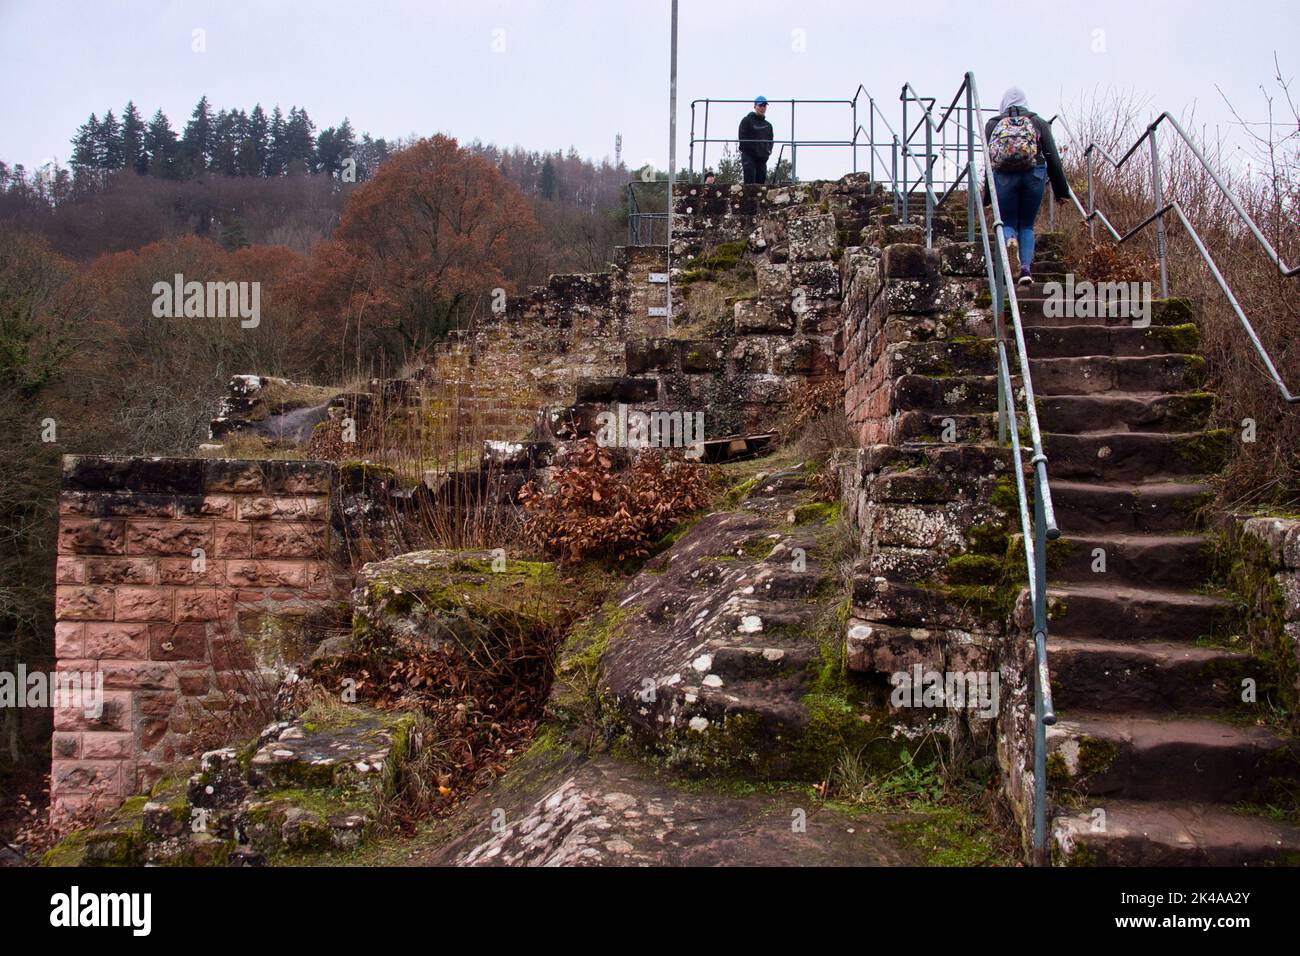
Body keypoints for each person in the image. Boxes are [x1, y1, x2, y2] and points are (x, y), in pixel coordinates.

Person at [983, 87, 1069, 286]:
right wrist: (1061, 191)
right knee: (1027, 225)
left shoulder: (993, 124)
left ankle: (1010, 240)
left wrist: (988, 196)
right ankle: (1025, 270)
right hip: (1034, 174)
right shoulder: (1037, 121)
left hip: (1004, 176)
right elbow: (1053, 157)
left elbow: (989, 161)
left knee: (1008, 222)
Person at [738, 96, 774, 184]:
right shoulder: (746, 121)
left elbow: (771, 141)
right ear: (755, 106)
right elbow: (742, 139)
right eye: (760, 105)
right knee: (750, 184)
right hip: (749, 157)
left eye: (764, 106)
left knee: (761, 186)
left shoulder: (768, 125)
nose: (762, 108)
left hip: (762, 159)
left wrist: (767, 152)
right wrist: (754, 151)